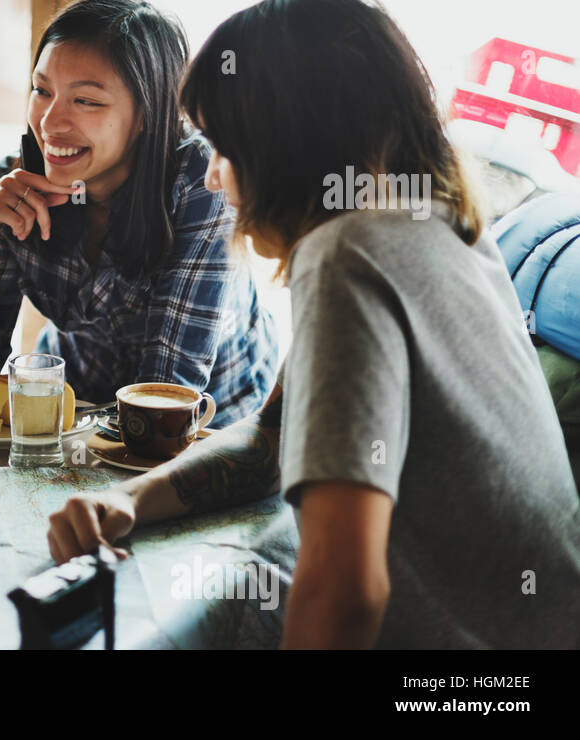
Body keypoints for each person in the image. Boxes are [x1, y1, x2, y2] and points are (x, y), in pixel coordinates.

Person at [47, 0, 580, 649]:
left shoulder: (345, 255)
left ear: (285, 145)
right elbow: (270, 442)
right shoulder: (434, 222)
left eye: (224, 148)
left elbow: (344, 592)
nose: (212, 177)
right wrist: (130, 499)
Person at [0, 0, 276, 428]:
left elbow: (165, 397)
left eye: (85, 101)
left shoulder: (200, 181)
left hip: (214, 427)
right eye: (42, 91)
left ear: (146, 113)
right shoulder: (13, 189)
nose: (50, 122)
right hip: (83, 416)